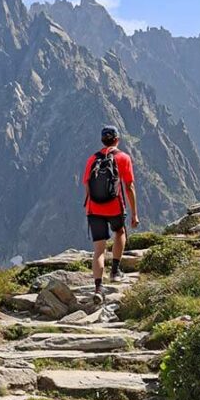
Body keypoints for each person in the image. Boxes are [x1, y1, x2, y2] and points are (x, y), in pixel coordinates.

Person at [83, 125, 138, 299]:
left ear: (102, 140)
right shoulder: (123, 158)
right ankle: (115, 271)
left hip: (94, 209)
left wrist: (92, 205)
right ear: (117, 139)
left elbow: (87, 185)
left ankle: (98, 289)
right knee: (120, 232)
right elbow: (129, 187)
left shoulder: (92, 159)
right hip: (115, 206)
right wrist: (134, 212)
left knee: (99, 249)